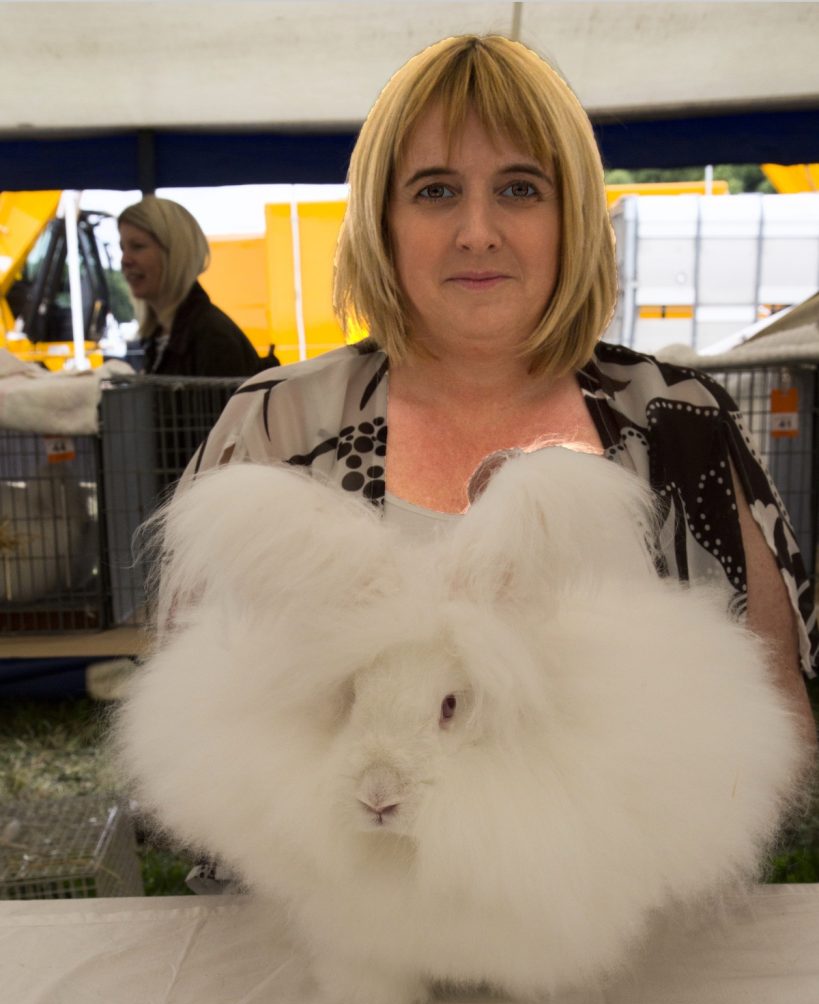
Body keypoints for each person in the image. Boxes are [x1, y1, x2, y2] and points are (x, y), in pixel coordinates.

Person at [179, 34, 817, 747]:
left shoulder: (680, 419)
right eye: (435, 191)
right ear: (380, 222)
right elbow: (196, 712)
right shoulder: (274, 420)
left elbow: (774, 709)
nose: (476, 232)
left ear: (570, 216)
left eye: (519, 189)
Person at [118, 196, 278, 376]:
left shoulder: (213, 338)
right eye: (122, 248)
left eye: (137, 246)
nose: (125, 260)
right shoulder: (160, 337)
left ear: (175, 252)